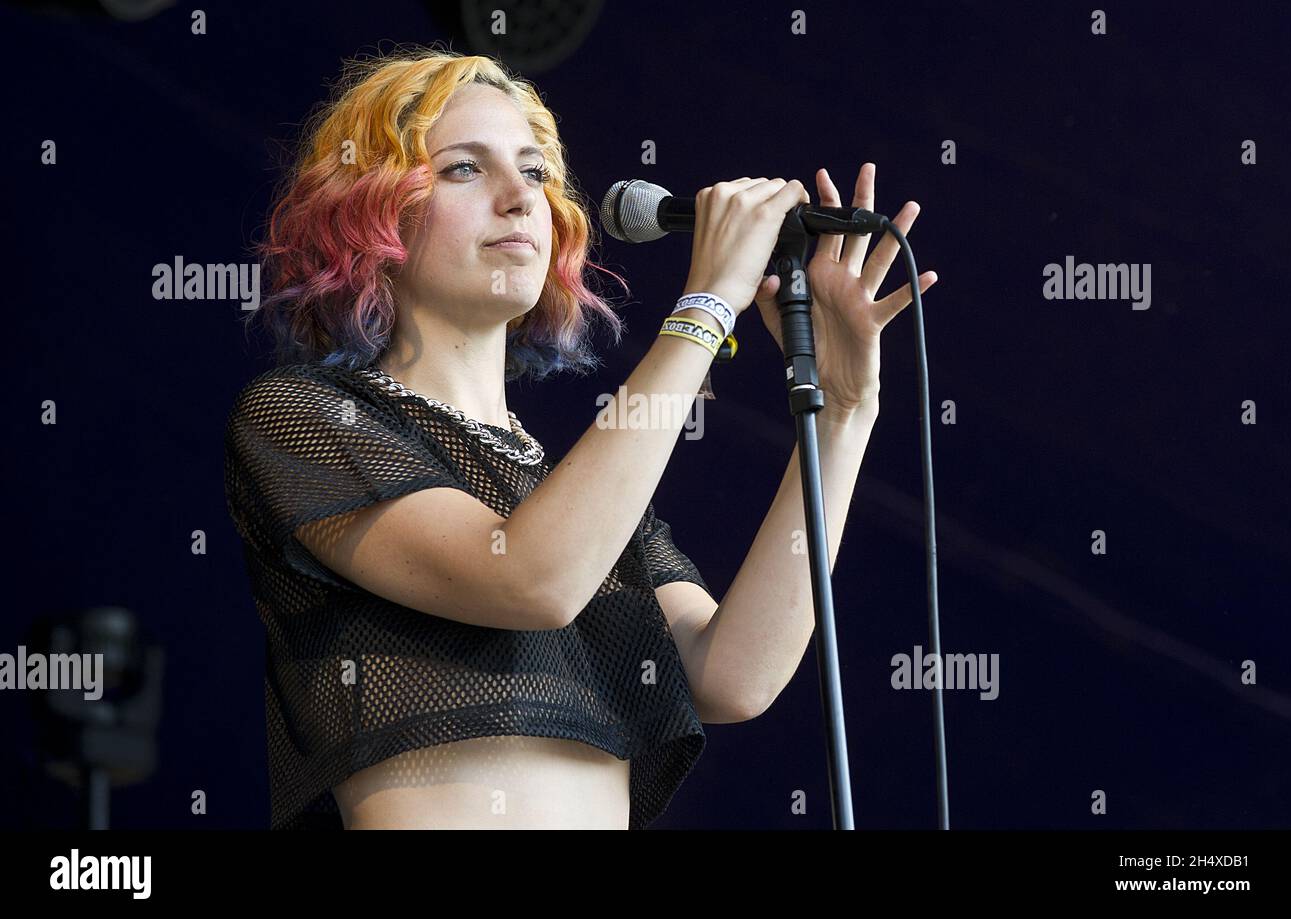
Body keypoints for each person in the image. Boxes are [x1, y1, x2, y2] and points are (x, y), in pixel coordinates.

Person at [224, 46, 937, 830]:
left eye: (534, 173)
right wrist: (706, 306)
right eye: (465, 168)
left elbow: (730, 671)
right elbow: (534, 577)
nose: (519, 198)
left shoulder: (572, 496)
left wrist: (843, 410)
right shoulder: (302, 415)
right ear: (373, 211)